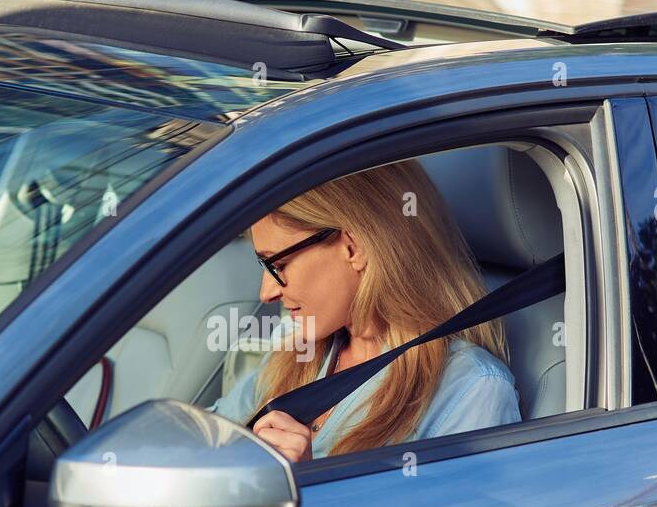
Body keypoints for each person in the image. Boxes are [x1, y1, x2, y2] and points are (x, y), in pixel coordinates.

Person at [210, 159, 521, 463]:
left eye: (278, 265)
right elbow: (210, 439)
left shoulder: (472, 389)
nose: (266, 293)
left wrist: (313, 486)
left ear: (352, 248)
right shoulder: (295, 346)